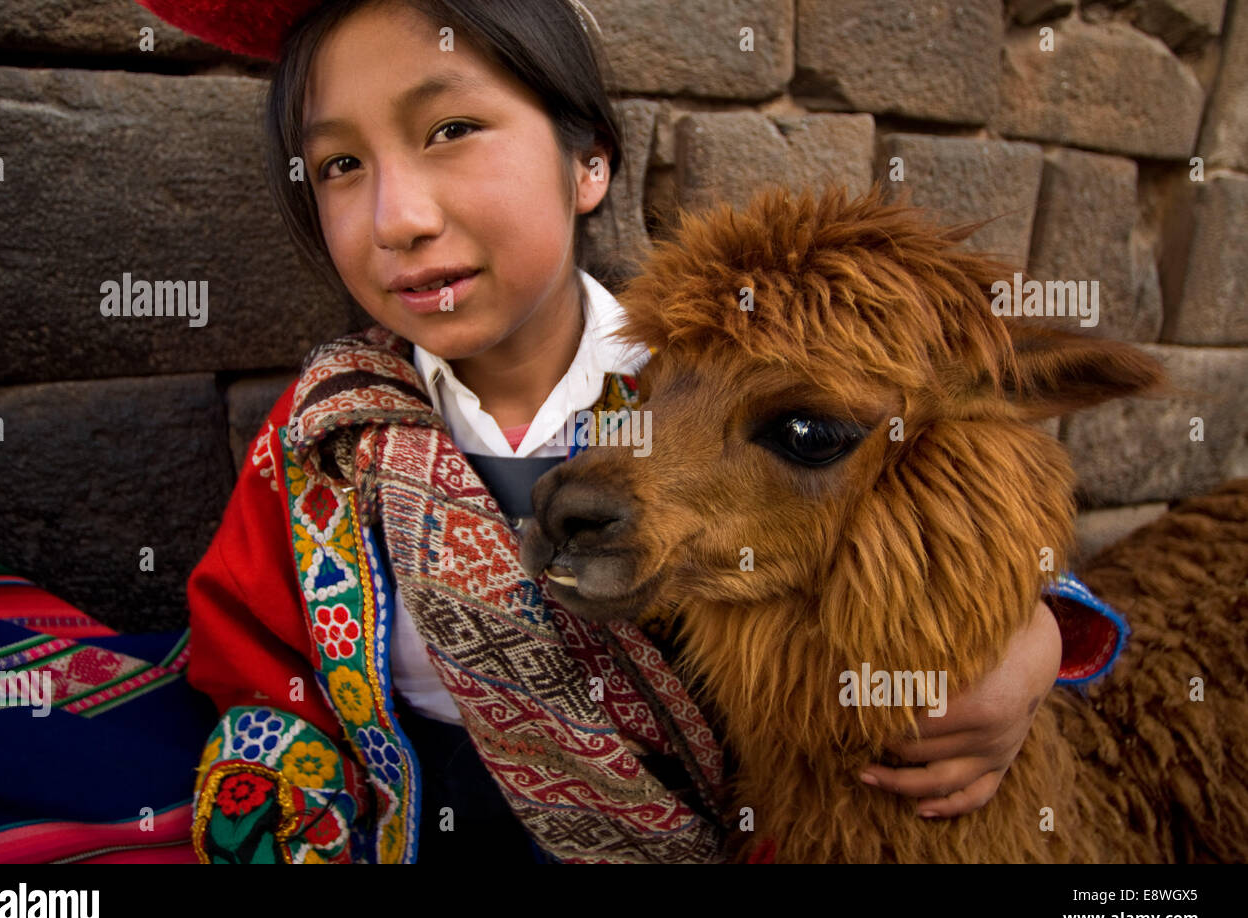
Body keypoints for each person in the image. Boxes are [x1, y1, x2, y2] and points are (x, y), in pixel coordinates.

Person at [142, 0, 1129, 863]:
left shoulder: (706, 385)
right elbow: (254, 662)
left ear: (587, 164)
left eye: (449, 128)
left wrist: (1030, 637)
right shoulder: (323, 439)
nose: (397, 216)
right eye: (341, 163)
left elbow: (927, 530)